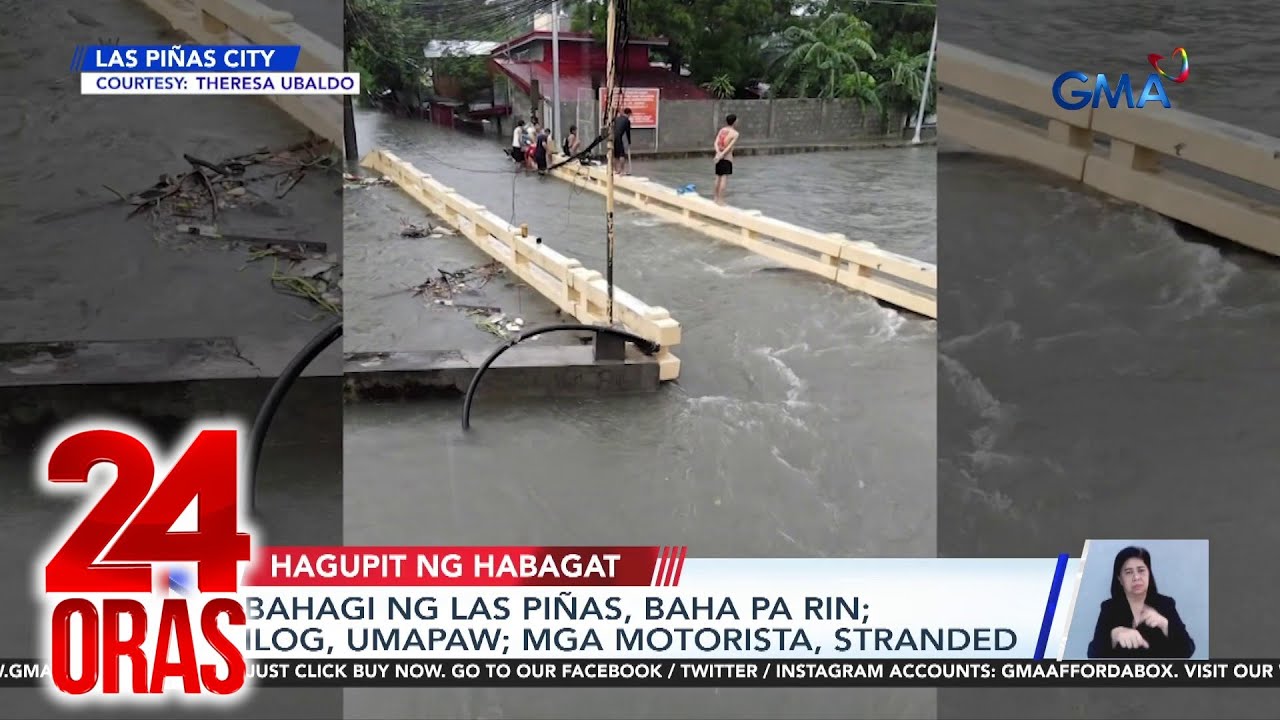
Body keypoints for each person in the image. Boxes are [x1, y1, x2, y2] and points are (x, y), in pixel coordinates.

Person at [1087, 546, 1196, 659]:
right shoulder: (1109, 608)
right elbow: (1093, 655)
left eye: (1141, 570)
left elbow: (1187, 650)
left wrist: (1165, 624)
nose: (1136, 577)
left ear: (1149, 573)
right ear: (1119, 579)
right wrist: (1114, 635)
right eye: (1128, 572)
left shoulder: (1165, 604)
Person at [713, 114, 739, 205]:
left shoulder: (722, 130)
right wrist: (722, 155)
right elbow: (729, 147)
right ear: (734, 122)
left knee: (717, 177)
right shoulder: (735, 134)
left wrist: (718, 154)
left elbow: (716, 142)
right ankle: (721, 201)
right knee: (723, 179)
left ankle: (715, 198)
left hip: (718, 156)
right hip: (727, 158)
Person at [612, 107, 632, 175]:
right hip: (619, 137)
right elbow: (627, 132)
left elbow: (615, 127)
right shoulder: (627, 121)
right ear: (629, 114)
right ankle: (622, 170)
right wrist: (629, 142)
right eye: (630, 115)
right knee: (622, 154)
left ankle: (615, 170)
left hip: (614, 137)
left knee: (615, 155)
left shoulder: (617, 118)